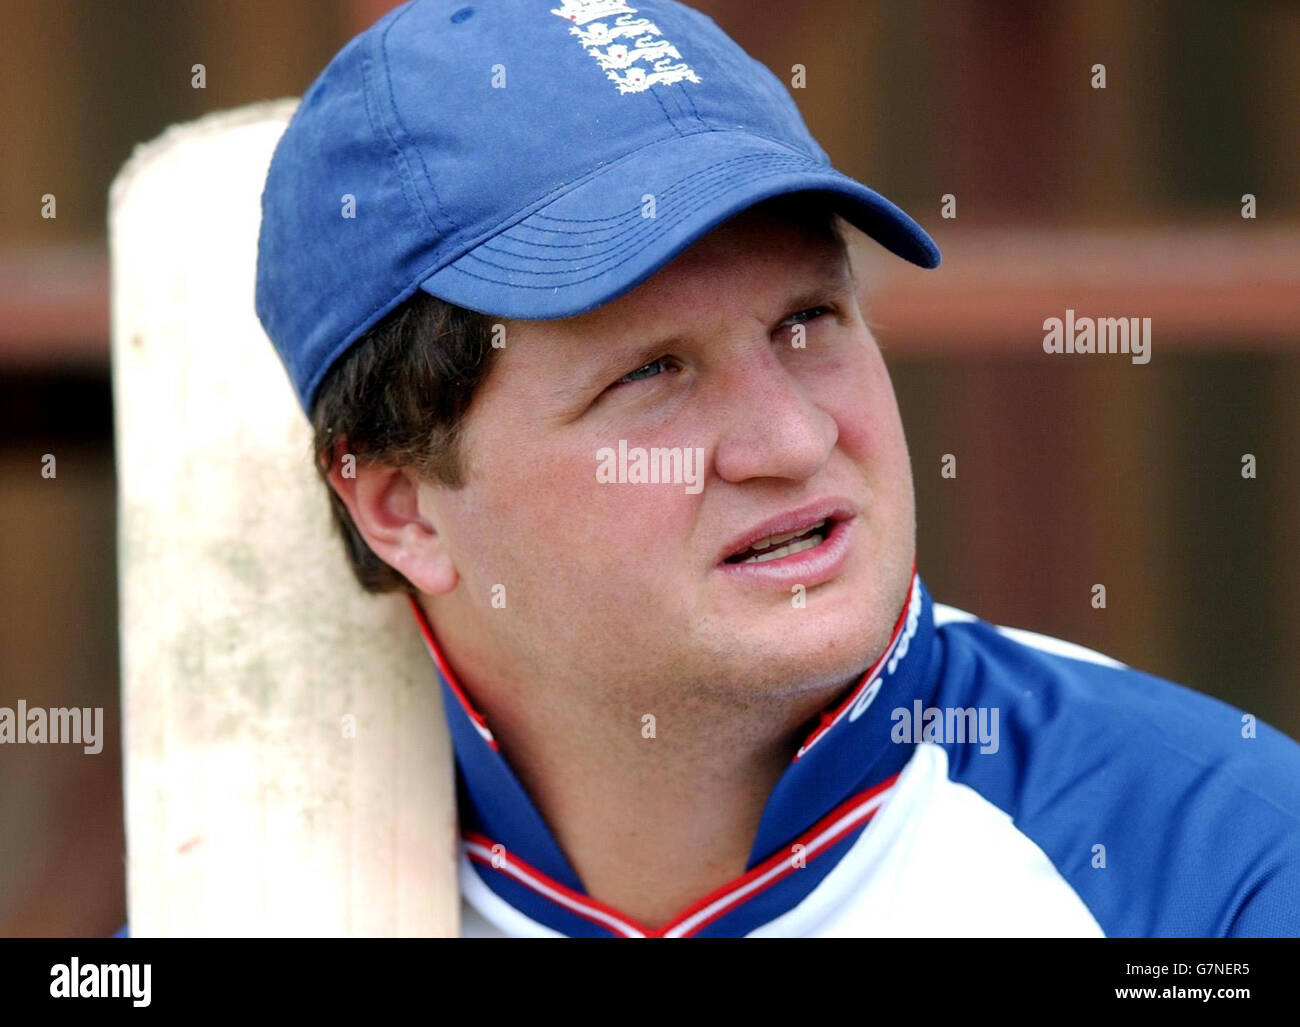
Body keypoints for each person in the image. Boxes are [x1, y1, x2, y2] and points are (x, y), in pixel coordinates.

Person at [249, 0, 1300, 937]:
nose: (793, 441)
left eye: (807, 321)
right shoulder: (218, 901)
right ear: (401, 508)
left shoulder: (1218, 875)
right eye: (651, 373)